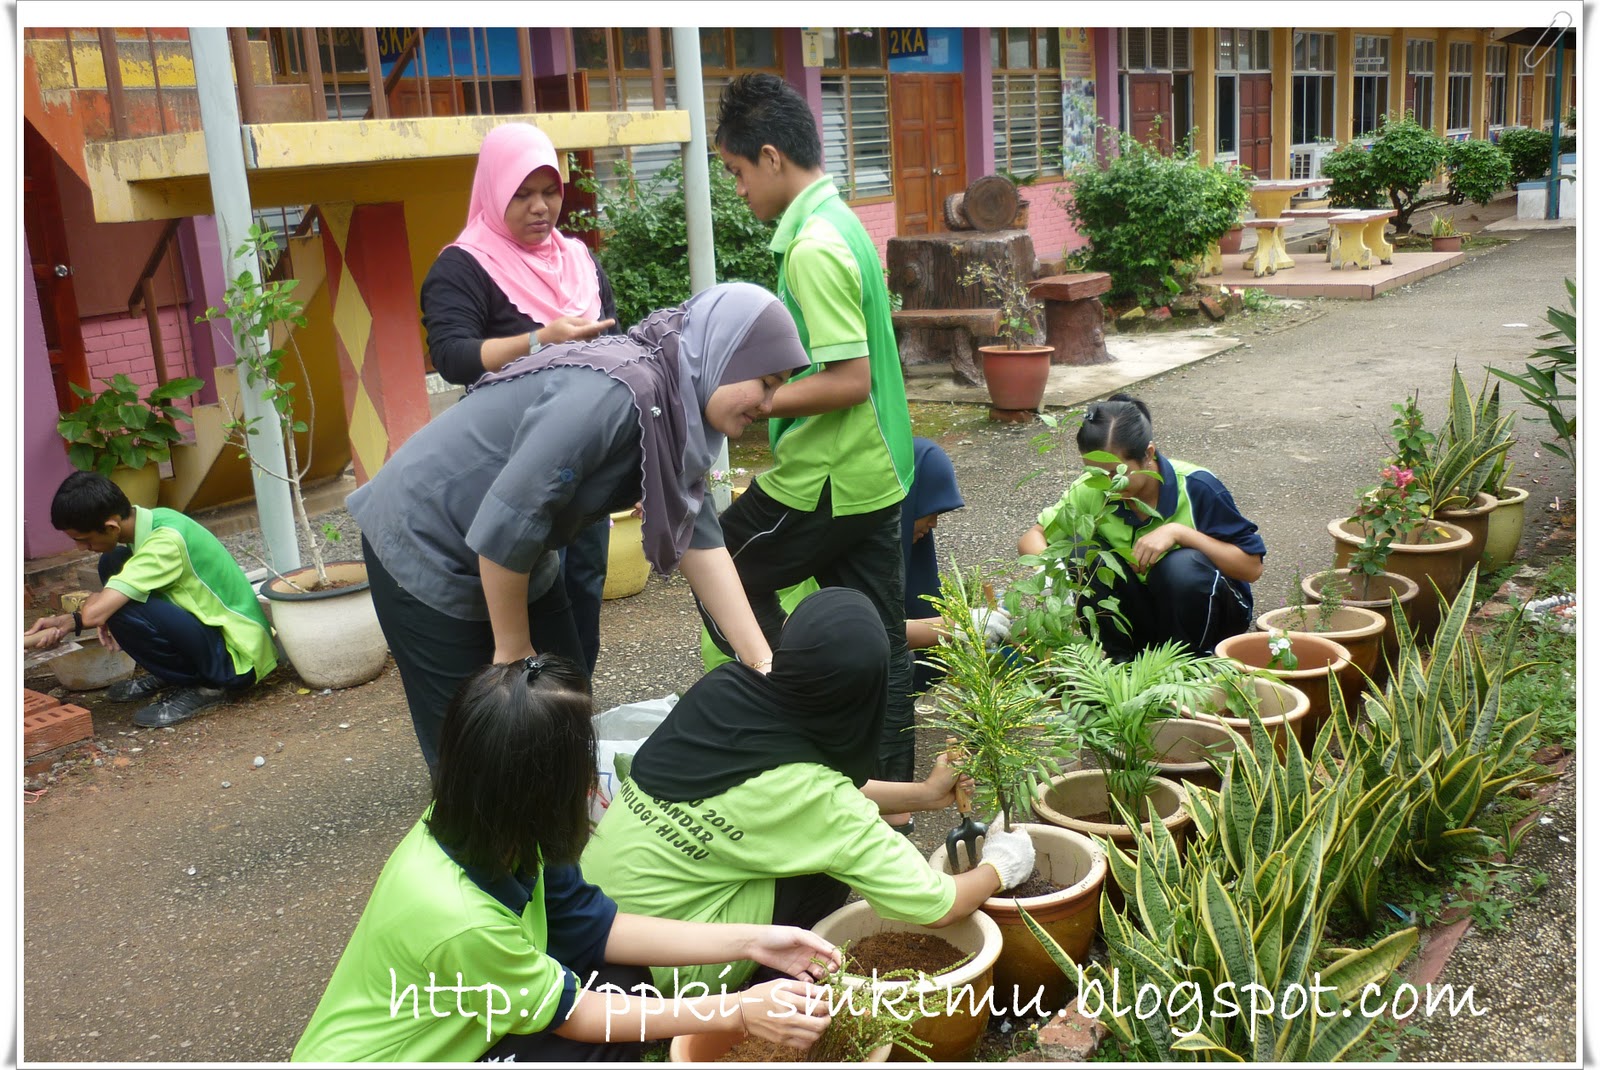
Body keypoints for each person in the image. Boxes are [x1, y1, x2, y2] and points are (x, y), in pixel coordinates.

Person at [349, 282, 808, 772]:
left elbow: (699, 536)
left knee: (564, 716)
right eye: (766, 382)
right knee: (480, 749)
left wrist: (762, 666)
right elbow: (508, 520)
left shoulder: (676, 408)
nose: (770, 403)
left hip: (519, 552)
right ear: (723, 355)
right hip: (425, 537)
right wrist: (512, 653)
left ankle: (560, 833)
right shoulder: (616, 394)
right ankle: (490, 840)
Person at [293, 657, 836, 1063]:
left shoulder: (488, 819)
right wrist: (738, 1010)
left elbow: (594, 927)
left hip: (469, 1017)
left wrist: (753, 939)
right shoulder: (456, 917)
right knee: (605, 1036)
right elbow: (576, 1017)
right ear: (546, 786)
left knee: (625, 983)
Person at [582, 588, 1037, 996]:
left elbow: (790, 792)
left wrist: (924, 794)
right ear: (869, 694)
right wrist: (1001, 864)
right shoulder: (818, 801)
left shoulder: (724, 691)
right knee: (826, 867)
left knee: (814, 839)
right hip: (666, 971)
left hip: (581, 921)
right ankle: (770, 986)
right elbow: (938, 906)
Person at [705, 72, 919, 786]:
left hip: (827, 476)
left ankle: (786, 719)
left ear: (771, 157)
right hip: (874, 469)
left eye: (736, 172)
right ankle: (892, 798)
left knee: (720, 572)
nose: (737, 189)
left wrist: (759, 403)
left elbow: (848, 379)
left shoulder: (811, 247)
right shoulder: (842, 220)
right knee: (881, 642)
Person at [420, 121, 619, 678]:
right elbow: (452, 355)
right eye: (522, 194)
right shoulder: (462, 266)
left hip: (586, 456)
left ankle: (573, 700)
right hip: (508, 460)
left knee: (583, 581)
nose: (541, 207)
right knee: (523, 586)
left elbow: (616, 341)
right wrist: (539, 340)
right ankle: (516, 709)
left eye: (549, 191)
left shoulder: (579, 260)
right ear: (492, 191)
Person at [1018, 394, 1265, 659]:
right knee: (1080, 553)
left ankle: (1188, 665)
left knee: (1181, 566)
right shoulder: (1092, 489)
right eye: (1094, 473)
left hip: (1213, 617)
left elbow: (1251, 568)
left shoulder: (1196, 487)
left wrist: (1180, 533)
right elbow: (1034, 536)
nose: (1108, 484)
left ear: (1148, 454)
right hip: (1143, 617)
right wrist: (1048, 570)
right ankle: (1119, 666)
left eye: (1117, 473)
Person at [25, 472, 275, 728]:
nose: (81, 548)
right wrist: (67, 622)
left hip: (238, 659)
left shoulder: (165, 542)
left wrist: (95, 605)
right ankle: (172, 675)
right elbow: (92, 613)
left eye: (84, 539)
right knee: (112, 564)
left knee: (119, 609)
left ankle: (207, 686)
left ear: (111, 526)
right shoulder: (152, 521)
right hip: (213, 632)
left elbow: (93, 615)